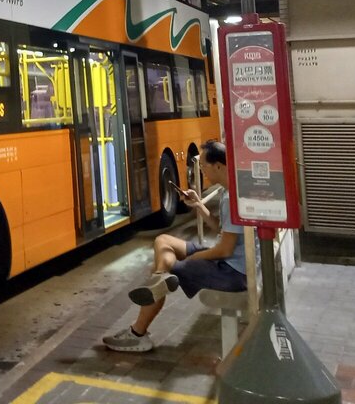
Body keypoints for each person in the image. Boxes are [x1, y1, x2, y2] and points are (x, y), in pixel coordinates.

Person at [102, 139, 247, 352]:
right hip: (228, 261)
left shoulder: (232, 198)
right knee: (163, 241)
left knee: (171, 267)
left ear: (218, 166)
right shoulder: (229, 191)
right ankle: (161, 277)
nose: (203, 172)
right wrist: (198, 204)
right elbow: (220, 229)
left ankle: (137, 333)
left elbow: (224, 249)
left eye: (204, 166)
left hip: (231, 272)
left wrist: (191, 259)